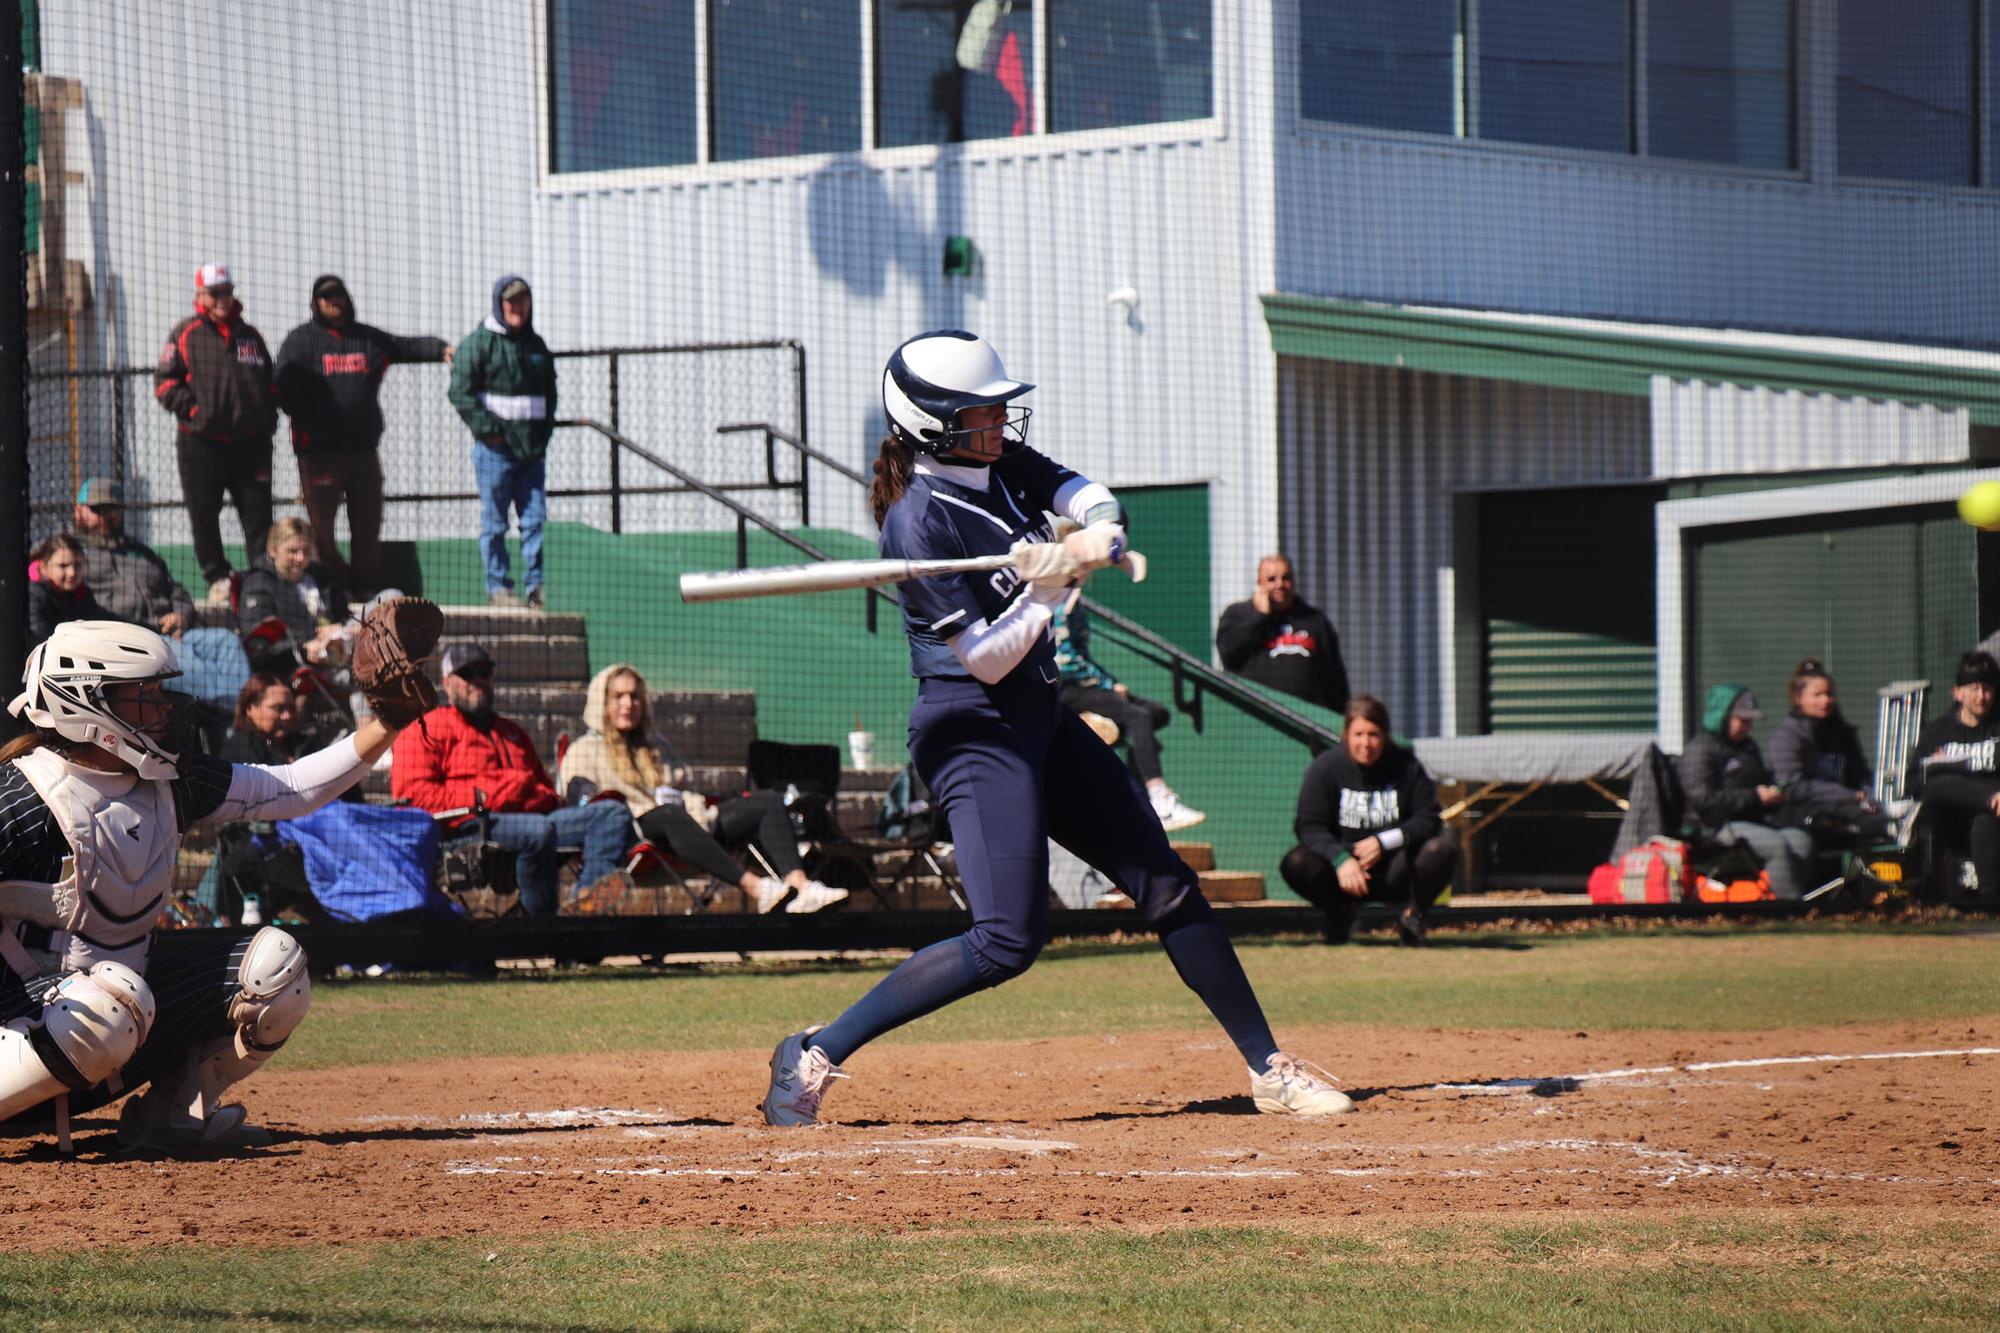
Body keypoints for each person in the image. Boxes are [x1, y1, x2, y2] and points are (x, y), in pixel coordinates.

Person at [759, 330, 1353, 1127]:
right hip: (970, 729)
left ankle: (1267, 1066)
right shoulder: (916, 524)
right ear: (931, 423)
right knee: (1007, 940)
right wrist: (1051, 584)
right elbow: (985, 661)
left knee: (1166, 882)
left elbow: (1083, 490)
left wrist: (1099, 529)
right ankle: (814, 1053)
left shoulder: (1000, 466)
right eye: (982, 412)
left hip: (1041, 712)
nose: (1001, 423)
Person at [0, 615, 419, 1150]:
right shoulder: (20, 796)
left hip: (119, 1028)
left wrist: (387, 724)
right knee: (106, 1003)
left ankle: (171, 1117)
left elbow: (291, 788)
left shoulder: (169, 780)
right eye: (143, 693)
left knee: (277, 967)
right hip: (27, 1038)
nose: (163, 706)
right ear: (87, 702)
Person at [558, 664, 847, 913]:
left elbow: (684, 788)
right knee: (667, 814)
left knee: (768, 802)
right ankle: (757, 889)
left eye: (635, 696)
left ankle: (801, 887)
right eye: (618, 696)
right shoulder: (584, 749)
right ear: (601, 703)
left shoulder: (657, 746)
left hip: (688, 828)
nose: (628, 704)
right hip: (633, 837)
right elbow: (584, 807)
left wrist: (689, 801)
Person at [391, 642, 631, 916]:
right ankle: (540, 933)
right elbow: (412, 798)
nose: (478, 681)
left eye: (485, 672)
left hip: (536, 821)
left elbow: (545, 792)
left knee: (612, 814)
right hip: (468, 829)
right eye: (468, 674)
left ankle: (586, 907)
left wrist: (538, 795)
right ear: (447, 682)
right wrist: (500, 793)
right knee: (537, 831)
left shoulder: (512, 732)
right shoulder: (427, 728)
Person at [274, 274, 452, 597]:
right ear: (316, 303)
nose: (333, 303)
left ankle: (363, 587)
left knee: (368, 525)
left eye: (338, 297)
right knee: (321, 529)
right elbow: (281, 385)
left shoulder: (367, 339)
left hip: (363, 453)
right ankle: (331, 586)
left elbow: (404, 346)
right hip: (317, 455)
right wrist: (308, 413)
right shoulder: (300, 341)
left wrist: (441, 349)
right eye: (326, 298)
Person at [1278, 695, 1456, 947]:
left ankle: (1413, 918)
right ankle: (1339, 914)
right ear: (1347, 735)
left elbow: (1428, 819)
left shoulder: (1407, 766)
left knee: (1441, 850)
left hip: (1395, 870)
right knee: (1296, 862)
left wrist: (1384, 841)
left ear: (1385, 735)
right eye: (1358, 734)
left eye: (1374, 734)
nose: (1366, 743)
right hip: (1343, 875)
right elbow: (1308, 826)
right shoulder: (1326, 768)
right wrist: (1340, 858)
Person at [153, 264, 278, 604]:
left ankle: (263, 578)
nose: (223, 298)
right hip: (200, 444)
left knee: (258, 516)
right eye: (215, 292)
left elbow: (268, 382)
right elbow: (164, 384)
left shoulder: (250, 335)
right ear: (200, 296)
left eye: (227, 290)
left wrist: (266, 419)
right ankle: (218, 577)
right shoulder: (186, 332)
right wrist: (195, 412)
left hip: (251, 445)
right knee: (204, 513)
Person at [1050, 588, 1204, 831]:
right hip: (1065, 691)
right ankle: (1159, 800)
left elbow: (1080, 652)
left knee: (1157, 712)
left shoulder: (1073, 595)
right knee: (1138, 716)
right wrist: (1107, 684)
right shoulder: (1058, 597)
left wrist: (1108, 683)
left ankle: (1101, 724)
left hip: (1086, 687)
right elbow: (1065, 660)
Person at [447, 275, 557, 609]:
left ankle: (535, 588)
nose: (517, 307)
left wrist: (542, 435)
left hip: (531, 454)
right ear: (499, 303)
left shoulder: (536, 345)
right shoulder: (480, 343)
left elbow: (550, 396)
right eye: (510, 301)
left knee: (535, 520)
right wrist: (490, 431)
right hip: (494, 453)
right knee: (495, 522)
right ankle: (499, 588)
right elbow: (459, 392)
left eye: (522, 300)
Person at [1678, 684, 1812, 900]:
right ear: (1723, 715)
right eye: (1742, 720)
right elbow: (1702, 799)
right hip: (1713, 829)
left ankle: (1788, 896)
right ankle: (1790, 911)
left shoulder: (1747, 747)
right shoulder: (1700, 748)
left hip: (1753, 822)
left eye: (1750, 722)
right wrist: (1755, 796)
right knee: (1774, 845)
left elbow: (1758, 780)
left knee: (1800, 841)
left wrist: (1776, 792)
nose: (1747, 727)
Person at [1770, 659, 1889, 850]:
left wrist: (1868, 795)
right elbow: (1791, 786)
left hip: (1848, 804)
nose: (1825, 700)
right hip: (1805, 811)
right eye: (1817, 695)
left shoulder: (1842, 731)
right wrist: (1850, 796)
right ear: (1799, 698)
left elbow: (1859, 774)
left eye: (1828, 694)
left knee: (1879, 819)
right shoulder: (1788, 734)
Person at [1910, 651, 2000, 896]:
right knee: (1936, 786)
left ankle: (1990, 904)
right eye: (1973, 688)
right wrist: (1988, 795)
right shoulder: (1937, 732)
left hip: (1991, 820)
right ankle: (1930, 899)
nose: (1981, 696)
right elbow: (1917, 783)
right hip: (1950, 818)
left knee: (1985, 821)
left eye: (1987, 689)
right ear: (1957, 692)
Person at [1215, 554, 1350, 713]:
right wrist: (1260, 616)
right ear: (1259, 583)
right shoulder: (1238, 615)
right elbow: (1228, 653)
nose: (1280, 584)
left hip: (1308, 720)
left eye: (1286, 578)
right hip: (1252, 719)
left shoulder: (1314, 620)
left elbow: (1335, 678)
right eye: (1272, 579)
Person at [70, 478, 195, 638]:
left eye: (113, 509)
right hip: (121, 638)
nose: (106, 517)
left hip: (168, 632)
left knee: (225, 642)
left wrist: (181, 616)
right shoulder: (69, 550)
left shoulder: (142, 552)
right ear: (78, 511)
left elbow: (175, 590)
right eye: (98, 509)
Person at [237, 517, 352, 678]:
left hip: (339, 654)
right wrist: (303, 649)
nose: (301, 558)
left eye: (306, 551)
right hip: (295, 670)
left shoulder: (321, 577)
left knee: (390, 596)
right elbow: (257, 644)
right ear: (273, 550)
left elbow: (345, 616)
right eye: (292, 551)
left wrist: (341, 628)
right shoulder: (259, 584)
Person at [27, 533, 112, 646]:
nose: (72, 573)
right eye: (63, 566)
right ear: (43, 567)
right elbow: (38, 634)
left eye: (77, 565)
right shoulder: (33, 594)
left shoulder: (83, 595)